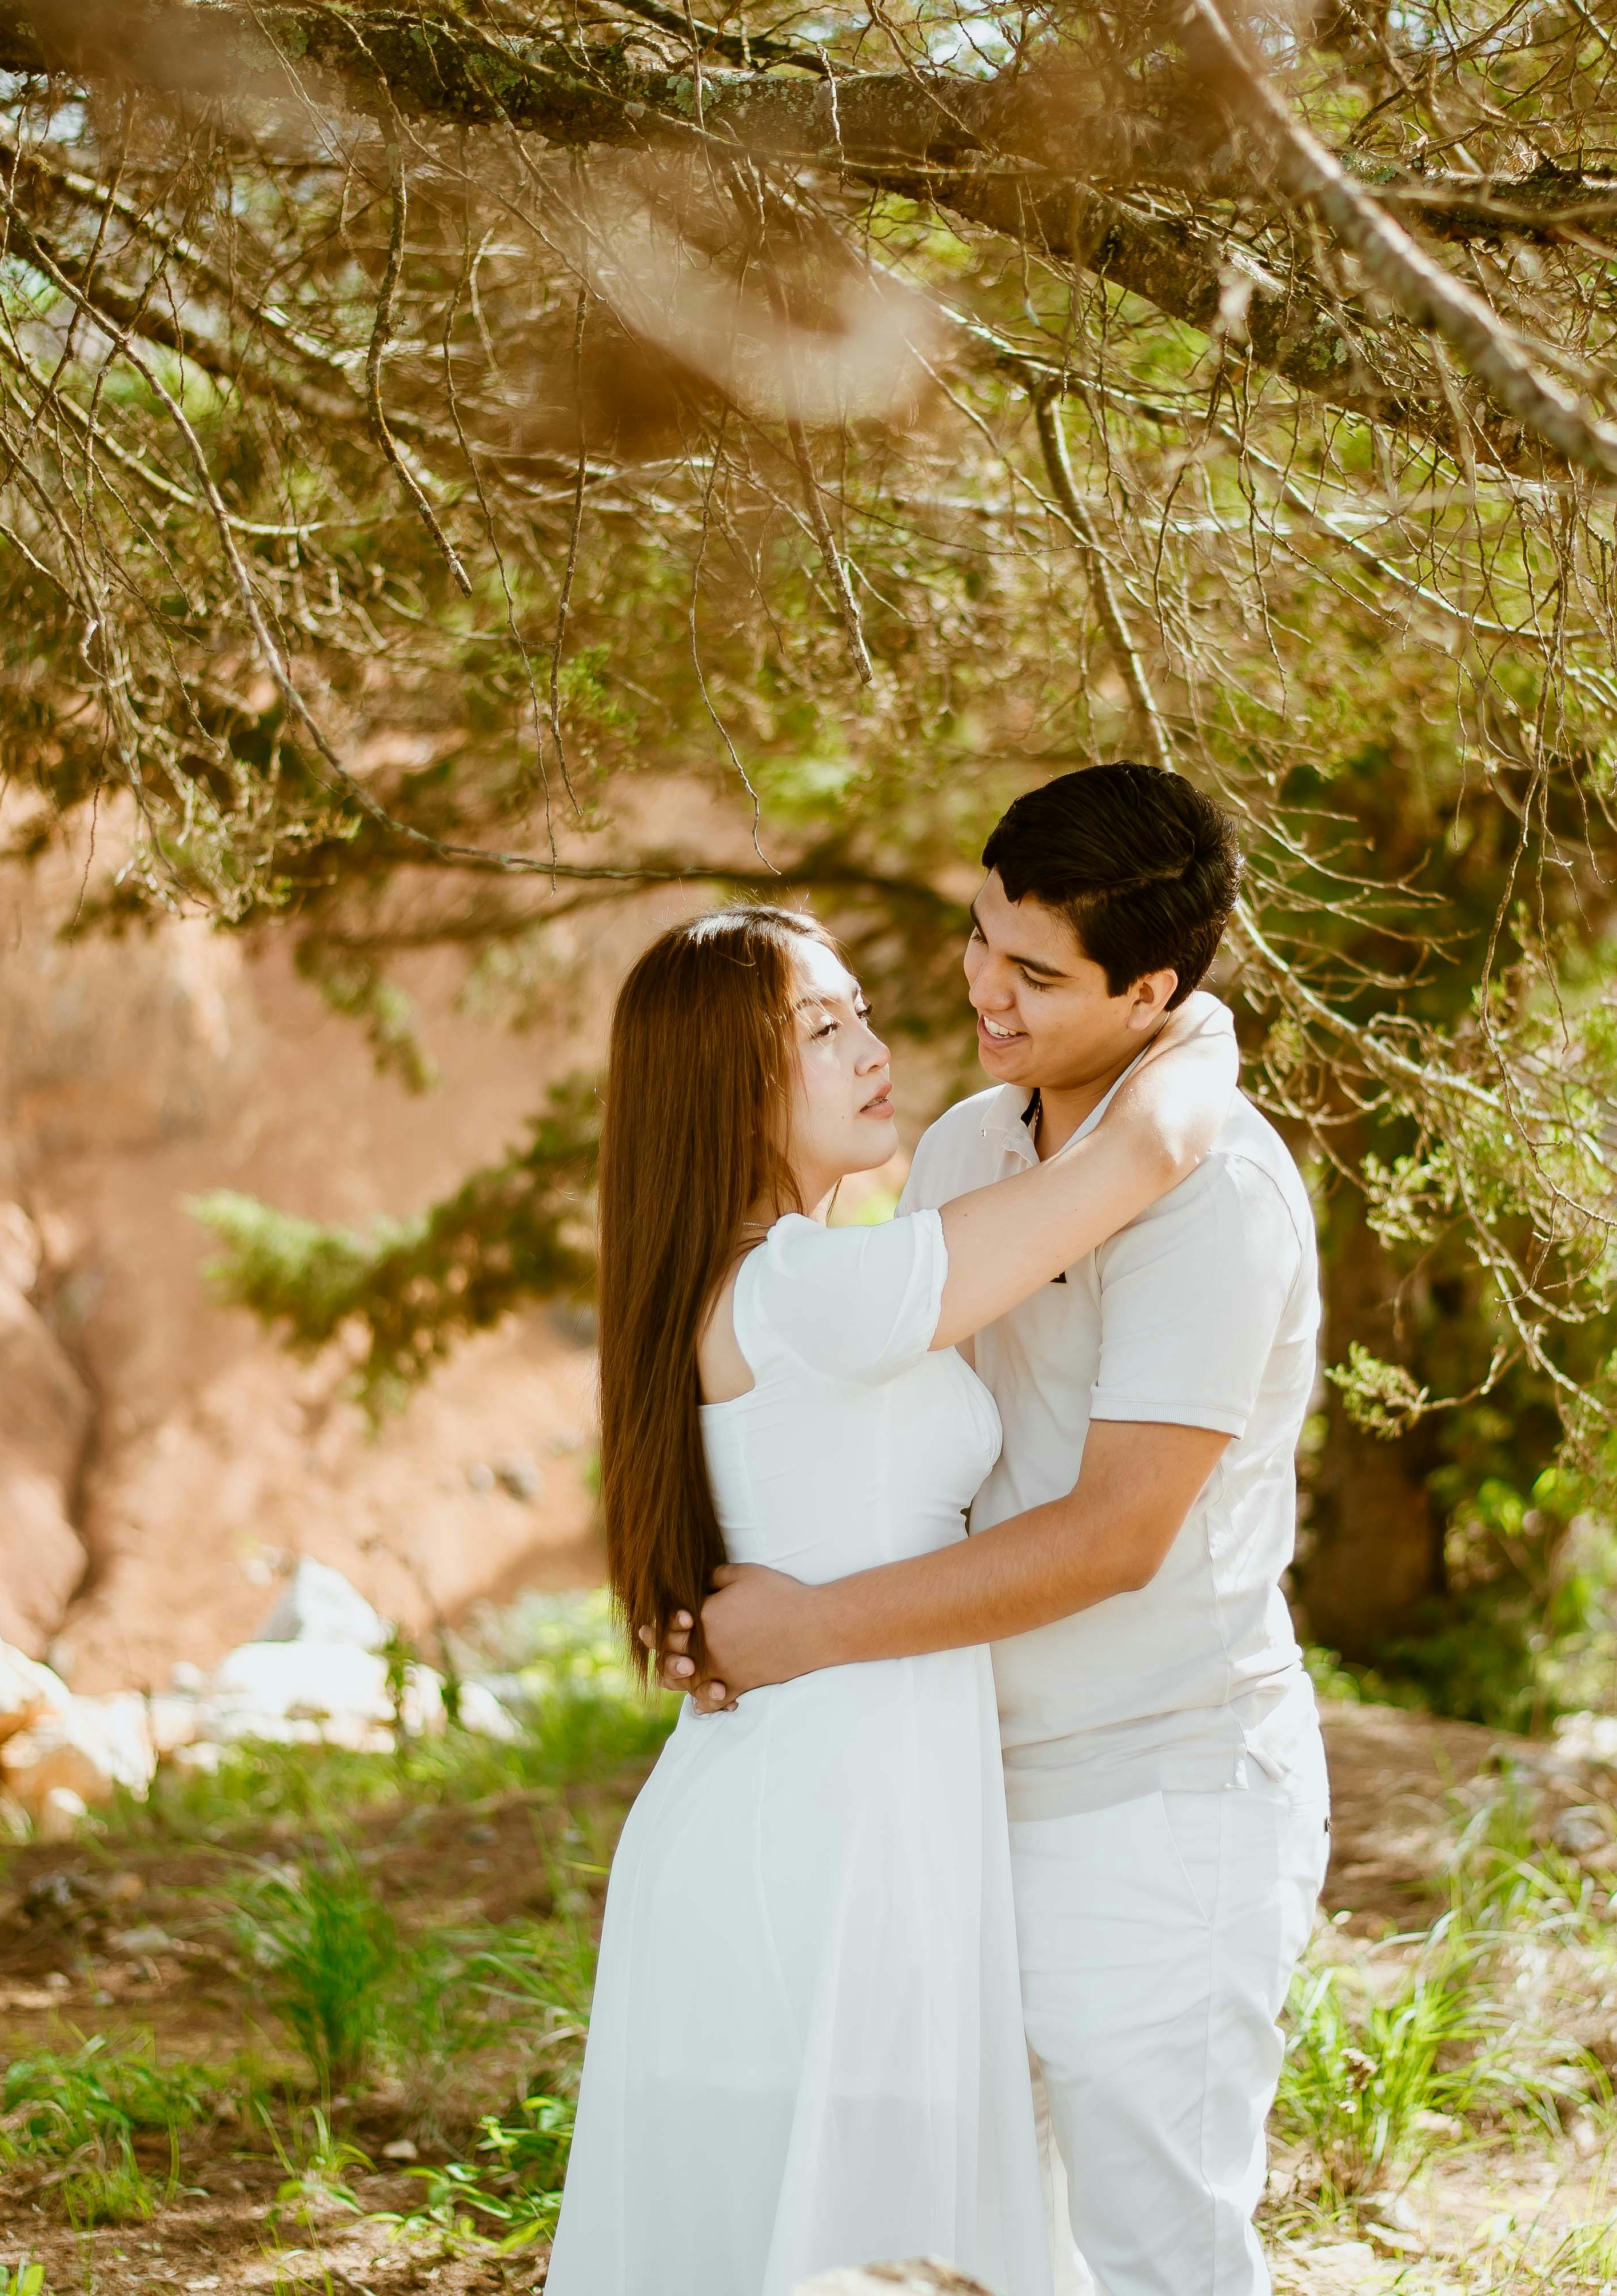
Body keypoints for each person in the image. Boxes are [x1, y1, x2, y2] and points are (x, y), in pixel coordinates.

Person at [680, 764, 1327, 2296]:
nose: (984, 989)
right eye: (980, 936)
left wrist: (803, 1629)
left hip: (1154, 1795)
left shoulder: (1217, 1195)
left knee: (1162, 2259)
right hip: (955, 1796)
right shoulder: (969, 1150)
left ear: (1150, 992)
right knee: (969, 2257)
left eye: (1036, 974)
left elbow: (1114, 1536)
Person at [546, 900, 1244, 2296]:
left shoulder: (772, 1284)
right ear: (723, 1083)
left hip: (831, 1811)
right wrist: (1199, 1014)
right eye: (820, 1029)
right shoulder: (809, 1292)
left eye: (858, 1011)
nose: (871, 1049)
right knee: (850, 2249)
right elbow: (1151, 1148)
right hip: (819, 1841)